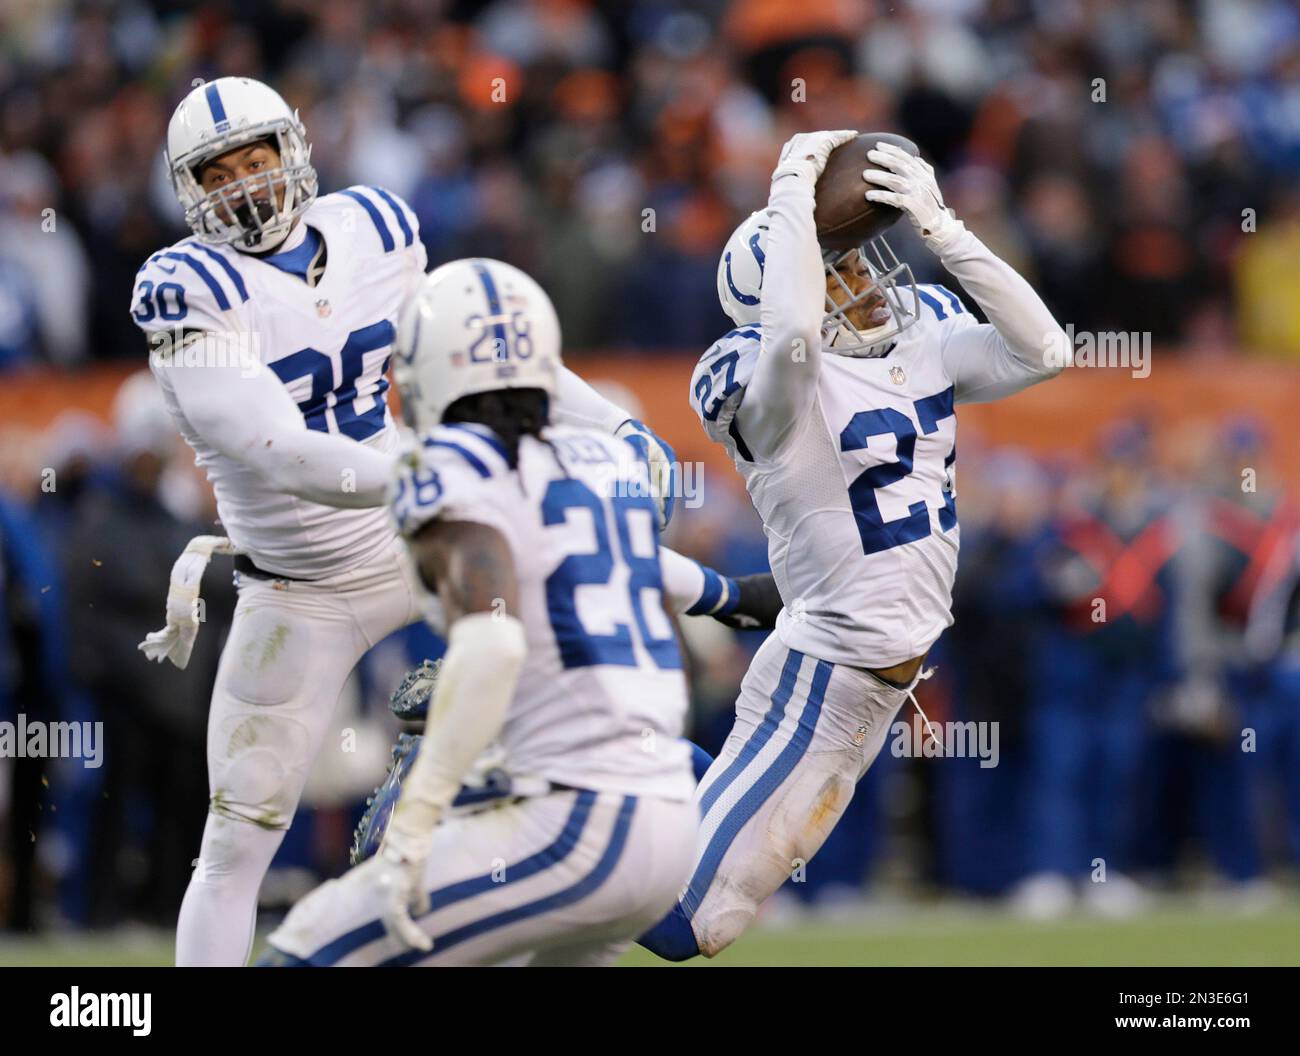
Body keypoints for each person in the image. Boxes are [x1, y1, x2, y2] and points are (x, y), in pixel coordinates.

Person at [131, 77, 678, 966]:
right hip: (297, 590)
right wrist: (442, 478)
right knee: (237, 838)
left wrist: (610, 424)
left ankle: (617, 892)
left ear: (293, 151)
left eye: (255, 158)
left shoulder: (372, 230)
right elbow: (281, 452)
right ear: (187, 190)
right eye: (216, 171)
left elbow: (483, 360)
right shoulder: (188, 289)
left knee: (583, 720)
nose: (241, 185)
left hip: (410, 545)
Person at [640, 129, 1067, 959]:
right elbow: (794, 342)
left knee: (709, 903)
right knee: (686, 924)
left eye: (863, 260)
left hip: (879, 681)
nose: (866, 277)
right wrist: (792, 185)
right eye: (839, 267)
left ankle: (612, 757)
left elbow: (1045, 349)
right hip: (823, 672)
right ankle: (544, 775)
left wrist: (947, 232)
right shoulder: (751, 379)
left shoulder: (922, 332)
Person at [263, 259, 697, 966]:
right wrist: (739, 596)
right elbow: (673, 590)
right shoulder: (598, 463)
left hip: (571, 820)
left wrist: (421, 819)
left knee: (309, 947)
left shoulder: (447, 465)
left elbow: (493, 648)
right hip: (660, 815)